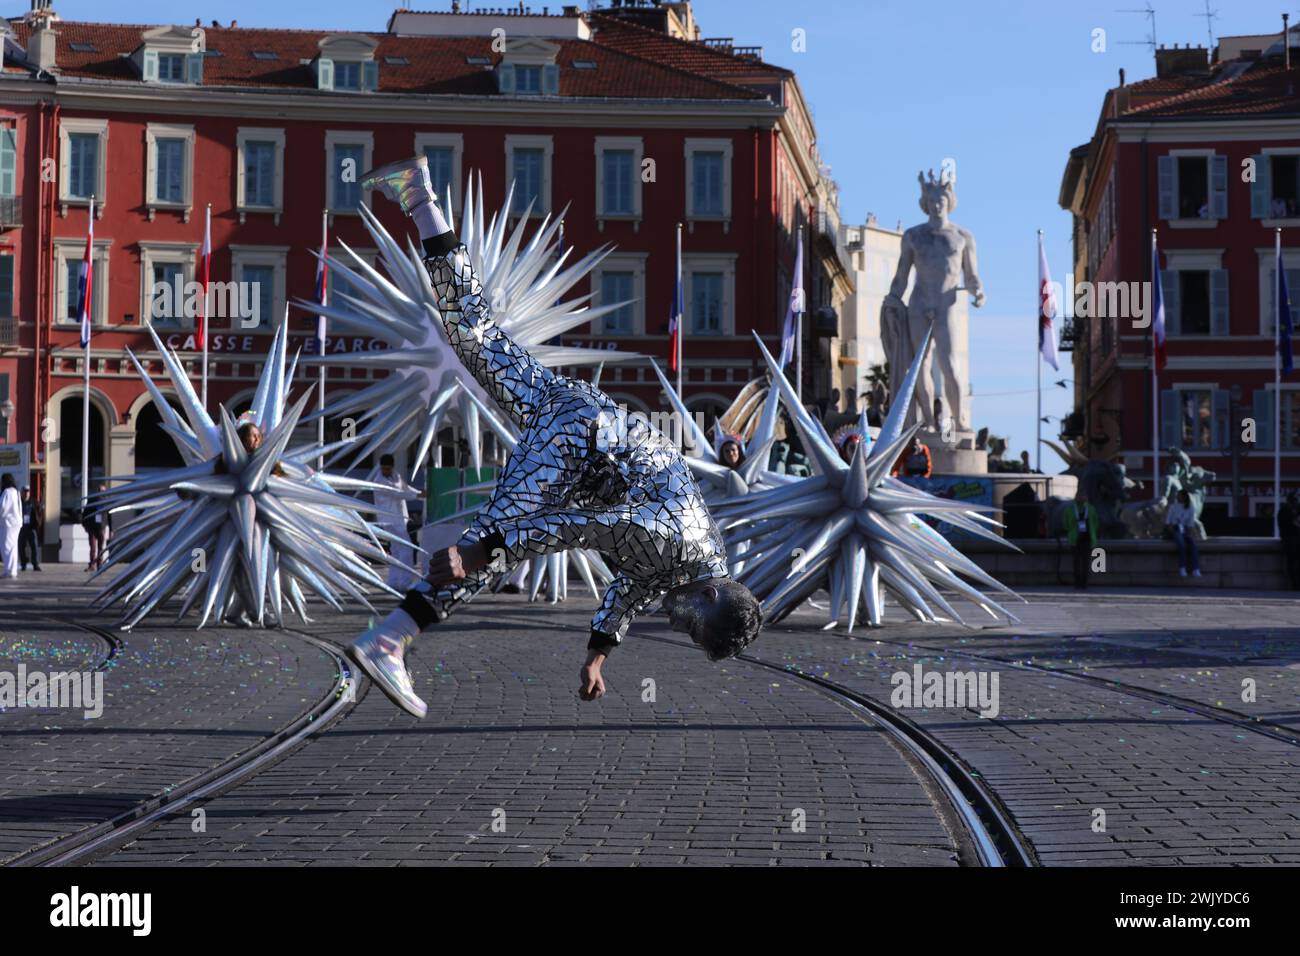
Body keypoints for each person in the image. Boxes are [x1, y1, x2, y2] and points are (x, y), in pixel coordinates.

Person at [345, 155, 763, 718]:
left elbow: (631, 588)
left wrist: (597, 655)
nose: (679, 627)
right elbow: (581, 525)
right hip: (577, 443)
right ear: (710, 597)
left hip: (581, 417)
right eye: (693, 628)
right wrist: (483, 547)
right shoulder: (676, 544)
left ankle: (419, 198)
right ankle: (388, 639)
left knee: (478, 335)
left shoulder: (694, 564)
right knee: (494, 548)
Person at [365, 453, 424, 589]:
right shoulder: (379, 481)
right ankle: (404, 582)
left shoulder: (396, 476)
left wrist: (420, 494)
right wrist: (418, 495)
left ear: (392, 467)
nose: (385, 471)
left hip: (398, 518)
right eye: (384, 468)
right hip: (389, 520)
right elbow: (397, 493)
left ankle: (393, 582)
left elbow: (405, 488)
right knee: (406, 549)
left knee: (397, 551)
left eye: (388, 468)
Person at [1062, 490, 1098, 590]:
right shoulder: (1070, 509)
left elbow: (1095, 523)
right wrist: (1072, 532)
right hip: (1075, 539)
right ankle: (1077, 582)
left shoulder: (1091, 509)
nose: (1081, 497)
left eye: (1083, 495)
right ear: (1076, 497)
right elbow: (1065, 523)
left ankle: (1084, 582)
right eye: (1079, 495)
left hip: (1087, 539)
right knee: (1076, 562)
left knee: (1086, 562)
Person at [1165, 488, 1201, 578]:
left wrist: (1191, 534)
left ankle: (1196, 569)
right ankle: (1182, 568)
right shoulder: (1173, 507)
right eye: (1177, 495)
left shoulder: (1190, 508)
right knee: (1181, 545)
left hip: (1185, 529)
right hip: (1175, 528)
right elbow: (1168, 522)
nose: (1177, 497)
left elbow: (1190, 524)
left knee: (1193, 546)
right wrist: (1173, 531)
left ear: (1184, 497)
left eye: (1179, 495)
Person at [81, 481, 111, 572]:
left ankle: (100, 564)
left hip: (101, 527)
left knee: (100, 547)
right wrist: (85, 525)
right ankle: (92, 565)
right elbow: (85, 514)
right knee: (93, 547)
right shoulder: (91, 500)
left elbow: (109, 516)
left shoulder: (106, 501)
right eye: (100, 490)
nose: (101, 493)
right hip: (92, 527)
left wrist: (111, 529)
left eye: (103, 491)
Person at [1278, 491, 1300, 590]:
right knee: (1292, 562)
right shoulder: (1286, 510)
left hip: (1290, 539)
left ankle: (1295, 584)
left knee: (1292, 563)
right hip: (1291, 539)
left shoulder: (1285, 510)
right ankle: (1295, 584)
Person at [0, 474, 20, 579]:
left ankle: (9, 570)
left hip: (8, 524)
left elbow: (3, 508)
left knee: (6, 547)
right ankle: (11, 570)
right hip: (15, 523)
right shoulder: (15, 491)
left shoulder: (7, 492)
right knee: (12, 547)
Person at [19, 486, 41, 571]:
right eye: (24, 492)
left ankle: (35, 564)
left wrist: (38, 522)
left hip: (31, 527)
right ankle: (23, 563)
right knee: (21, 546)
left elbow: (39, 512)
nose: (26, 493)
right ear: (21, 493)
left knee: (34, 546)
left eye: (27, 492)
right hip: (21, 527)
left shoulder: (34, 502)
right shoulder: (19, 502)